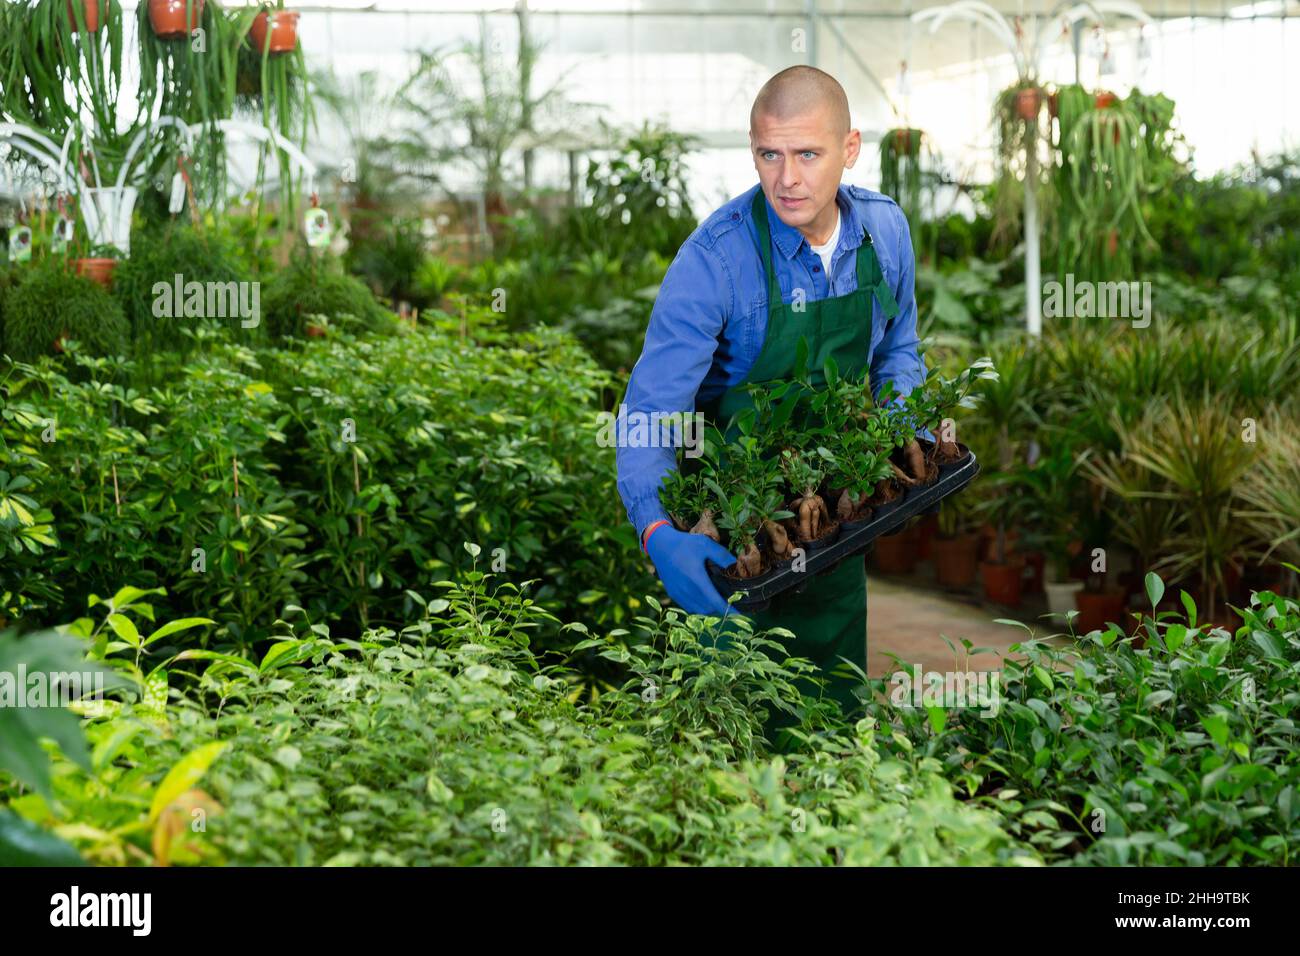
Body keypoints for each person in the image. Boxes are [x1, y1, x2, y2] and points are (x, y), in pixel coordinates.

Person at [615, 65, 932, 740]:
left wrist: (901, 430)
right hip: (729, 552)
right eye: (769, 154)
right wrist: (656, 532)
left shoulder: (884, 233)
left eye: (807, 154)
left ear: (849, 149)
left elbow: (898, 347)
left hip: (837, 534)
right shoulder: (714, 263)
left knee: (836, 745)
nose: (786, 178)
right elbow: (649, 411)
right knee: (730, 763)